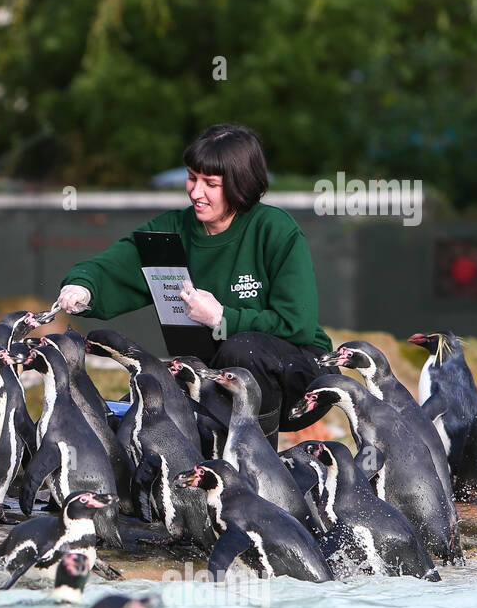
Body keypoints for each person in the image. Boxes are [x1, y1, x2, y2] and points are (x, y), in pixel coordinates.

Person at [56, 123, 334, 447]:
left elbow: (296, 324)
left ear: (240, 184)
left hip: (297, 377)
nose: (195, 192)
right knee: (149, 396)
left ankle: (260, 463)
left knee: (242, 348)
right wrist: (83, 287)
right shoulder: (174, 229)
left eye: (210, 184)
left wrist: (221, 319)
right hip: (212, 372)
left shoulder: (274, 229)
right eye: (192, 178)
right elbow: (116, 265)